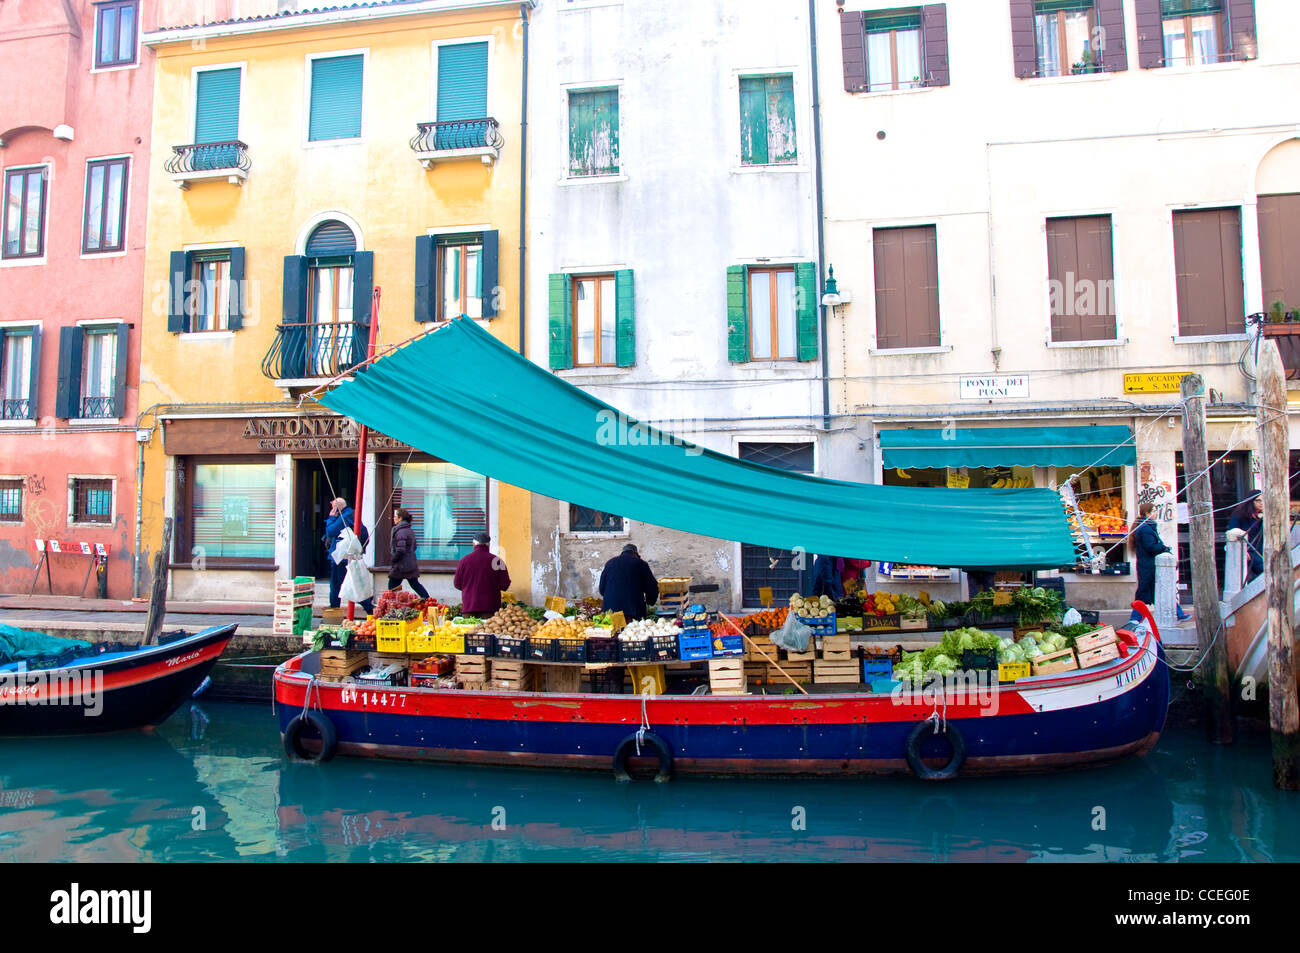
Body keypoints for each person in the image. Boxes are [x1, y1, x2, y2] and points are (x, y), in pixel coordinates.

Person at [1130, 501, 1187, 623]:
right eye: (1154, 511)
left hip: (1148, 566)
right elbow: (1150, 547)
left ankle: (1178, 613)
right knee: (1149, 592)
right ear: (1147, 513)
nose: (1156, 514)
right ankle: (1134, 619)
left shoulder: (1146, 527)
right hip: (1149, 567)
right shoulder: (1146, 529)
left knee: (1153, 592)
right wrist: (1163, 548)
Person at [323, 497, 373, 614]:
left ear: (336, 507)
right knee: (350, 582)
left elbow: (330, 531)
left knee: (338, 585)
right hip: (348, 556)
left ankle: (335, 610)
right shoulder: (351, 514)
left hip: (342, 557)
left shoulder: (344, 517)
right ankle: (368, 607)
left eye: (333, 507)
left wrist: (331, 518)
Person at [453, 532, 511, 616]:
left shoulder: (464, 561)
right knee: (489, 629)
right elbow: (504, 585)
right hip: (491, 608)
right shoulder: (497, 561)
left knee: (468, 628)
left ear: (473, 544)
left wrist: (470, 590)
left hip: (469, 607)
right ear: (488, 545)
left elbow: (457, 584)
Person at [599, 543, 659, 621]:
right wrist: (650, 601)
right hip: (632, 612)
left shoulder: (610, 563)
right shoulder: (641, 563)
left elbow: (602, 588)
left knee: (614, 632)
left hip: (611, 612)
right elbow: (652, 587)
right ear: (635, 553)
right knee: (632, 630)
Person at [388, 507, 429, 600]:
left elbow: (400, 550)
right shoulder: (408, 530)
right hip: (409, 563)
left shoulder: (400, 531)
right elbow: (414, 547)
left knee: (392, 587)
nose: (393, 518)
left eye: (395, 516)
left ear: (400, 518)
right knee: (415, 584)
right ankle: (427, 600)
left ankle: (392, 606)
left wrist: (393, 559)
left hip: (401, 565)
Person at [1228, 493, 1264, 583]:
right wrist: (1243, 550)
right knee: (1265, 569)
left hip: (1260, 550)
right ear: (1251, 502)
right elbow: (1233, 533)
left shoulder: (1261, 517)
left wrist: (1262, 520)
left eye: (1263, 500)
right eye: (1258, 501)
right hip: (1248, 551)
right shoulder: (1240, 516)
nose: (1261, 503)